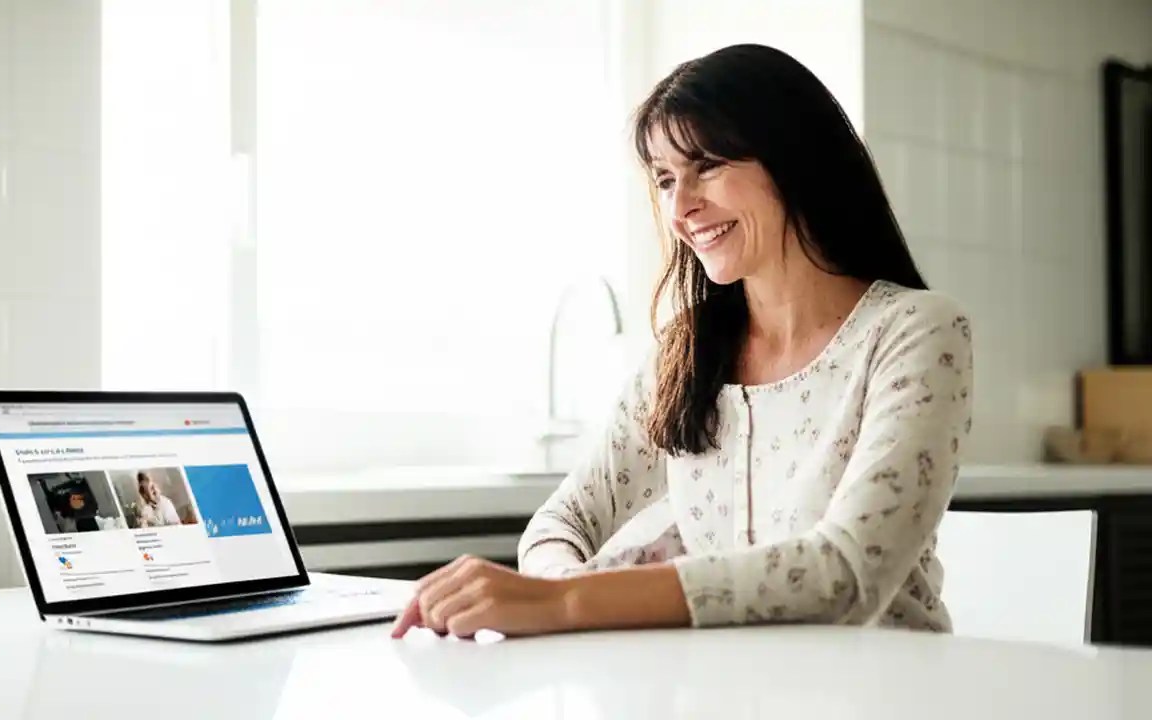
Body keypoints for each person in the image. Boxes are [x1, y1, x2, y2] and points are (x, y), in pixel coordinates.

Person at [390, 43, 972, 639]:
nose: (681, 206)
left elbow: (845, 574)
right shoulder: (688, 351)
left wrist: (563, 603)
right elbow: (561, 522)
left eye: (708, 166)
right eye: (665, 179)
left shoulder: (915, 332)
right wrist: (554, 585)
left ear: (793, 159)